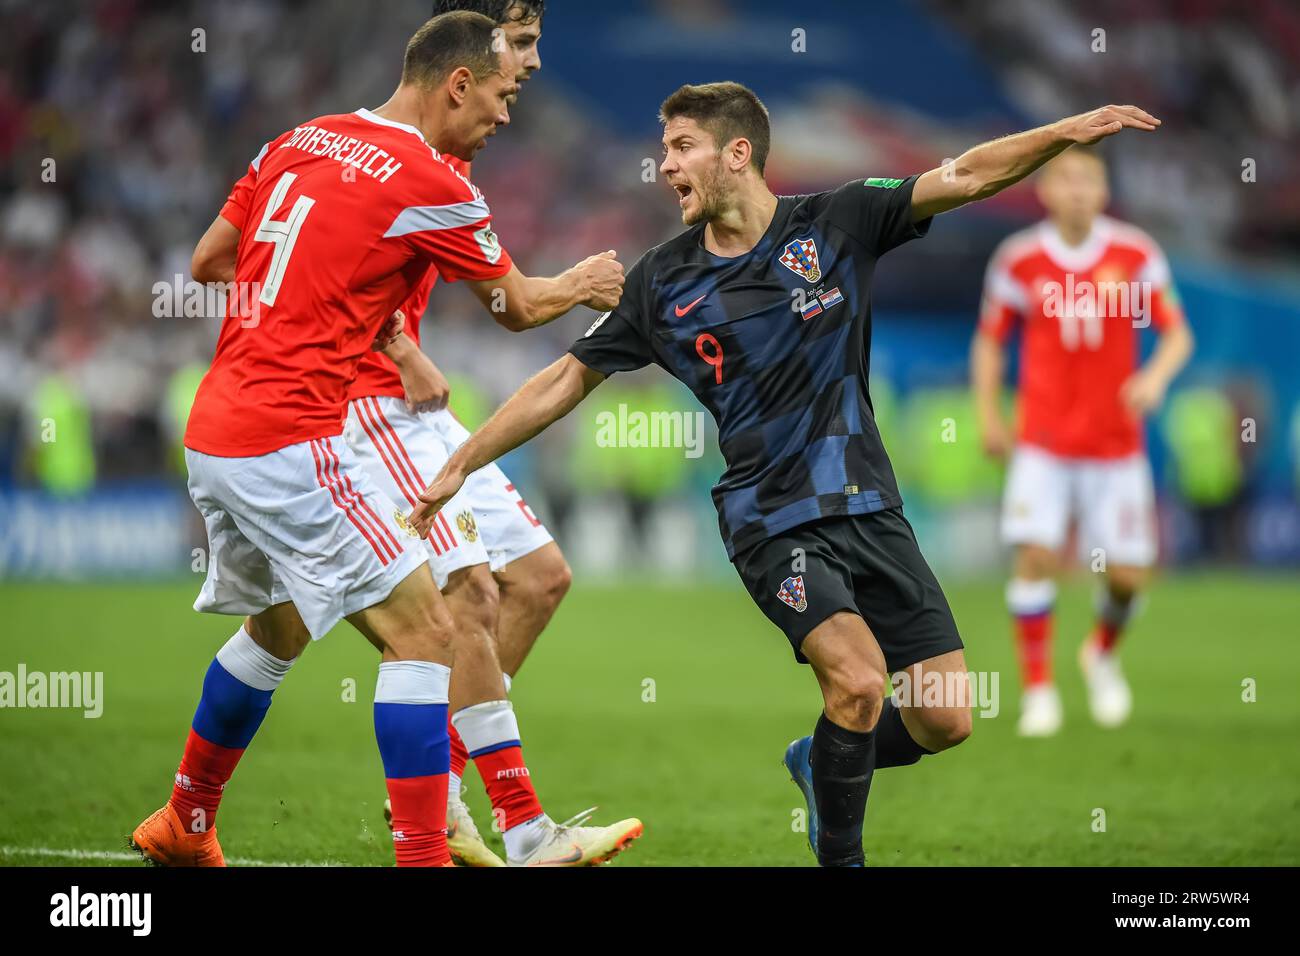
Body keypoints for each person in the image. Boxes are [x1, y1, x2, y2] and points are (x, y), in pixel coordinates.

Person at [408, 81, 1162, 865]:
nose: (664, 165)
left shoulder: (838, 220)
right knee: (862, 685)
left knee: (945, 718)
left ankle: (820, 759)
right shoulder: (662, 282)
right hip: (771, 521)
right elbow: (564, 379)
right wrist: (463, 461)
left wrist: (1066, 130)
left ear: (738, 154)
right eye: (663, 149)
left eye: (680, 147)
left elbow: (967, 175)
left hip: (870, 507)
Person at [132, 11, 635, 867]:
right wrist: (584, 282)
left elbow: (214, 260)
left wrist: (351, 319)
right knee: (430, 632)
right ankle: (437, 851)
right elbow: (515, 308)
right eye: (504, 94)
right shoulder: (433, 182)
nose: (508, 117)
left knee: (281, 625)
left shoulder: (300, 138)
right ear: (459, 83)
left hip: (217, 424)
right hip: (293, 434)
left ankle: (186, 818)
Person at [971, 146, 1193, 736]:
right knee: (1036, 556)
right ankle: (1039, 692)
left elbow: (1177, 336)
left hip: (1115, 445)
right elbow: (991, 341)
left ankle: (1100, 651)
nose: (1076, 191)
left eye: (1087, 180)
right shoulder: (1019, 260)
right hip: (1042, 441)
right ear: (1045, 191)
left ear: (1103, 191)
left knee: (1125, 577)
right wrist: (990, 415)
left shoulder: (1135, 253)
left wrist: (1153, 376)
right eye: (1064, 180)